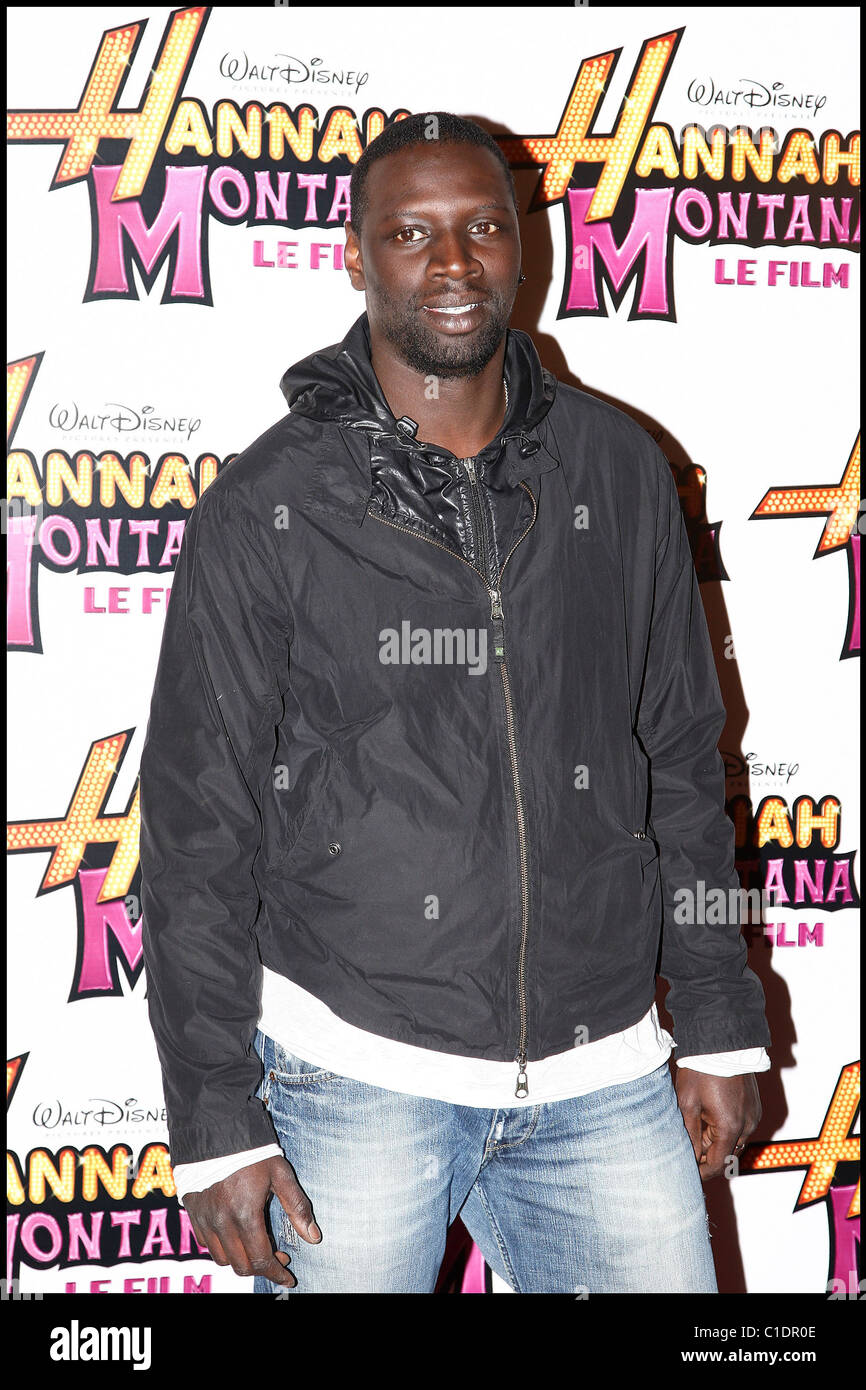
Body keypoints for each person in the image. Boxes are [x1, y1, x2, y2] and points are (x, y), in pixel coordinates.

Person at [139, 112, 771, 1295]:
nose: (450, 263)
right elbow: (196, 828)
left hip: (601, 1072)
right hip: (352, 1074)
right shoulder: (267, 506)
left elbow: (682, 757)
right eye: (410, 233)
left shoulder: (620, 468)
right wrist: (216, 1114)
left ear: (521, 244)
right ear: (354, 253)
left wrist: (722, 1014)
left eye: (480, 227)